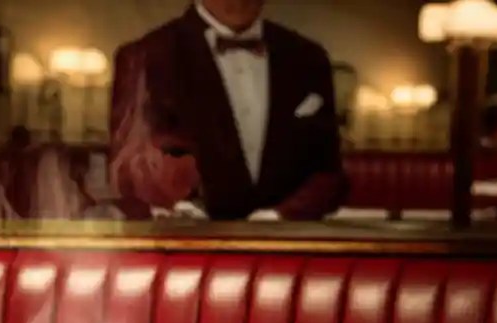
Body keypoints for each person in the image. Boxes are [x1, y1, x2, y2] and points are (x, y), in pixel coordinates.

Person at [109, 0, 348, 220]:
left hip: (291, 251)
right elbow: (129, 166)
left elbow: (328, 171)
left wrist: (279, 217)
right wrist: (181, 210)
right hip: (188, 249)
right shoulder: (145, 56)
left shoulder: (308, 58)